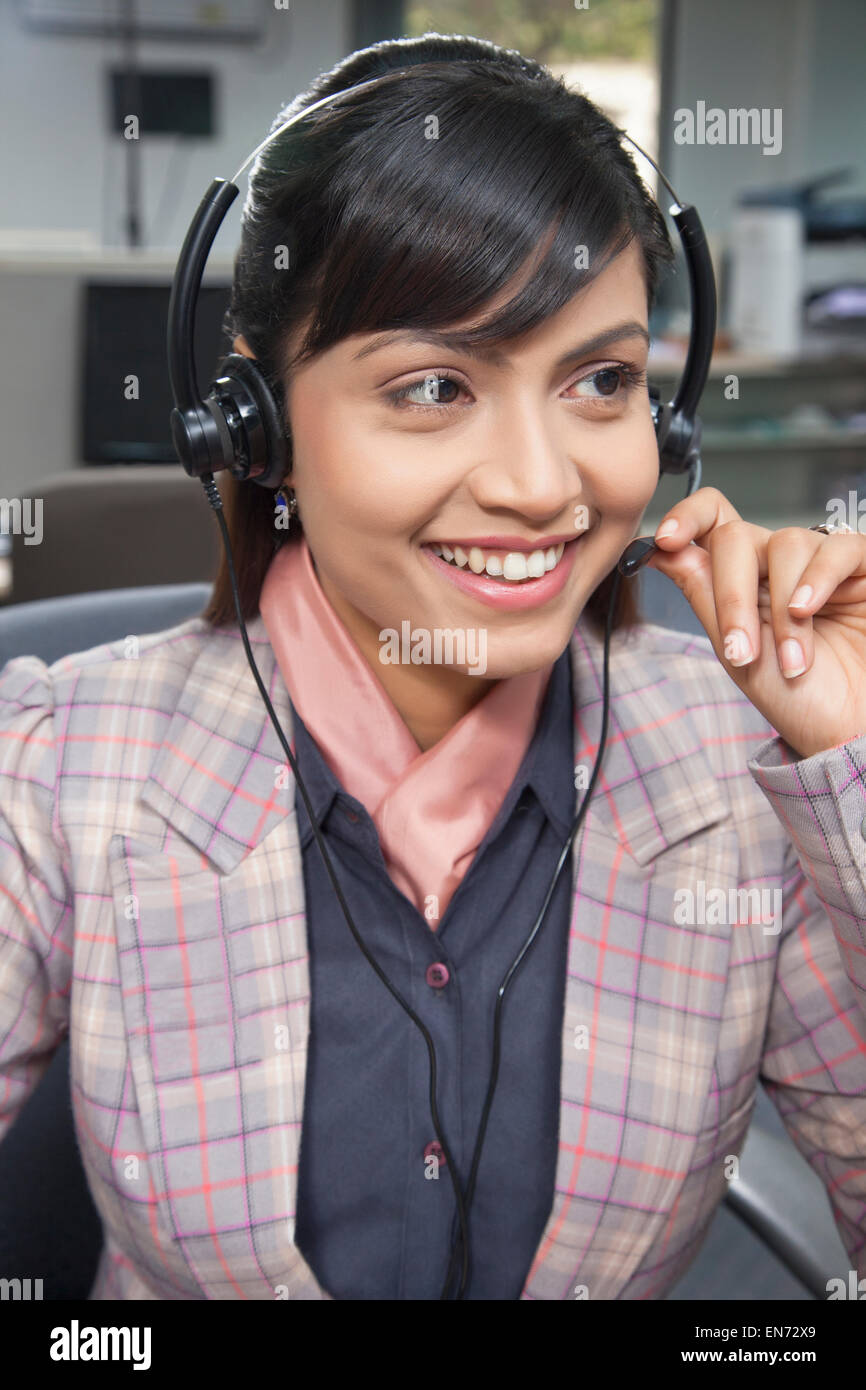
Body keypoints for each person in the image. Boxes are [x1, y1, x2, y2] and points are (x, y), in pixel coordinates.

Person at [0, 32, 864, 1302]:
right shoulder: (60, 760)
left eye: (601, 379)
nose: (536, 485)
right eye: (432, 386)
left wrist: (850, 769)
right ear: (261, 427)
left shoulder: (741, 770)